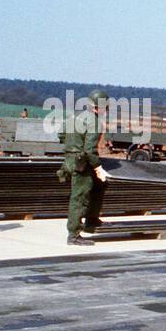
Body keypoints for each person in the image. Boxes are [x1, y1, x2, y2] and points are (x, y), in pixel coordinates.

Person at [60, 89, 112, 245]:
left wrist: (73, 147)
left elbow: (61, 135)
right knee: (79, 197)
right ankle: (73, 234)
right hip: (82, 163)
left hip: (71, 159)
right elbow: (90, 149)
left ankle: (92, 219)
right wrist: (97, 167)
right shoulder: (94, 122)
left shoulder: (75, 117)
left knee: (100, 184)